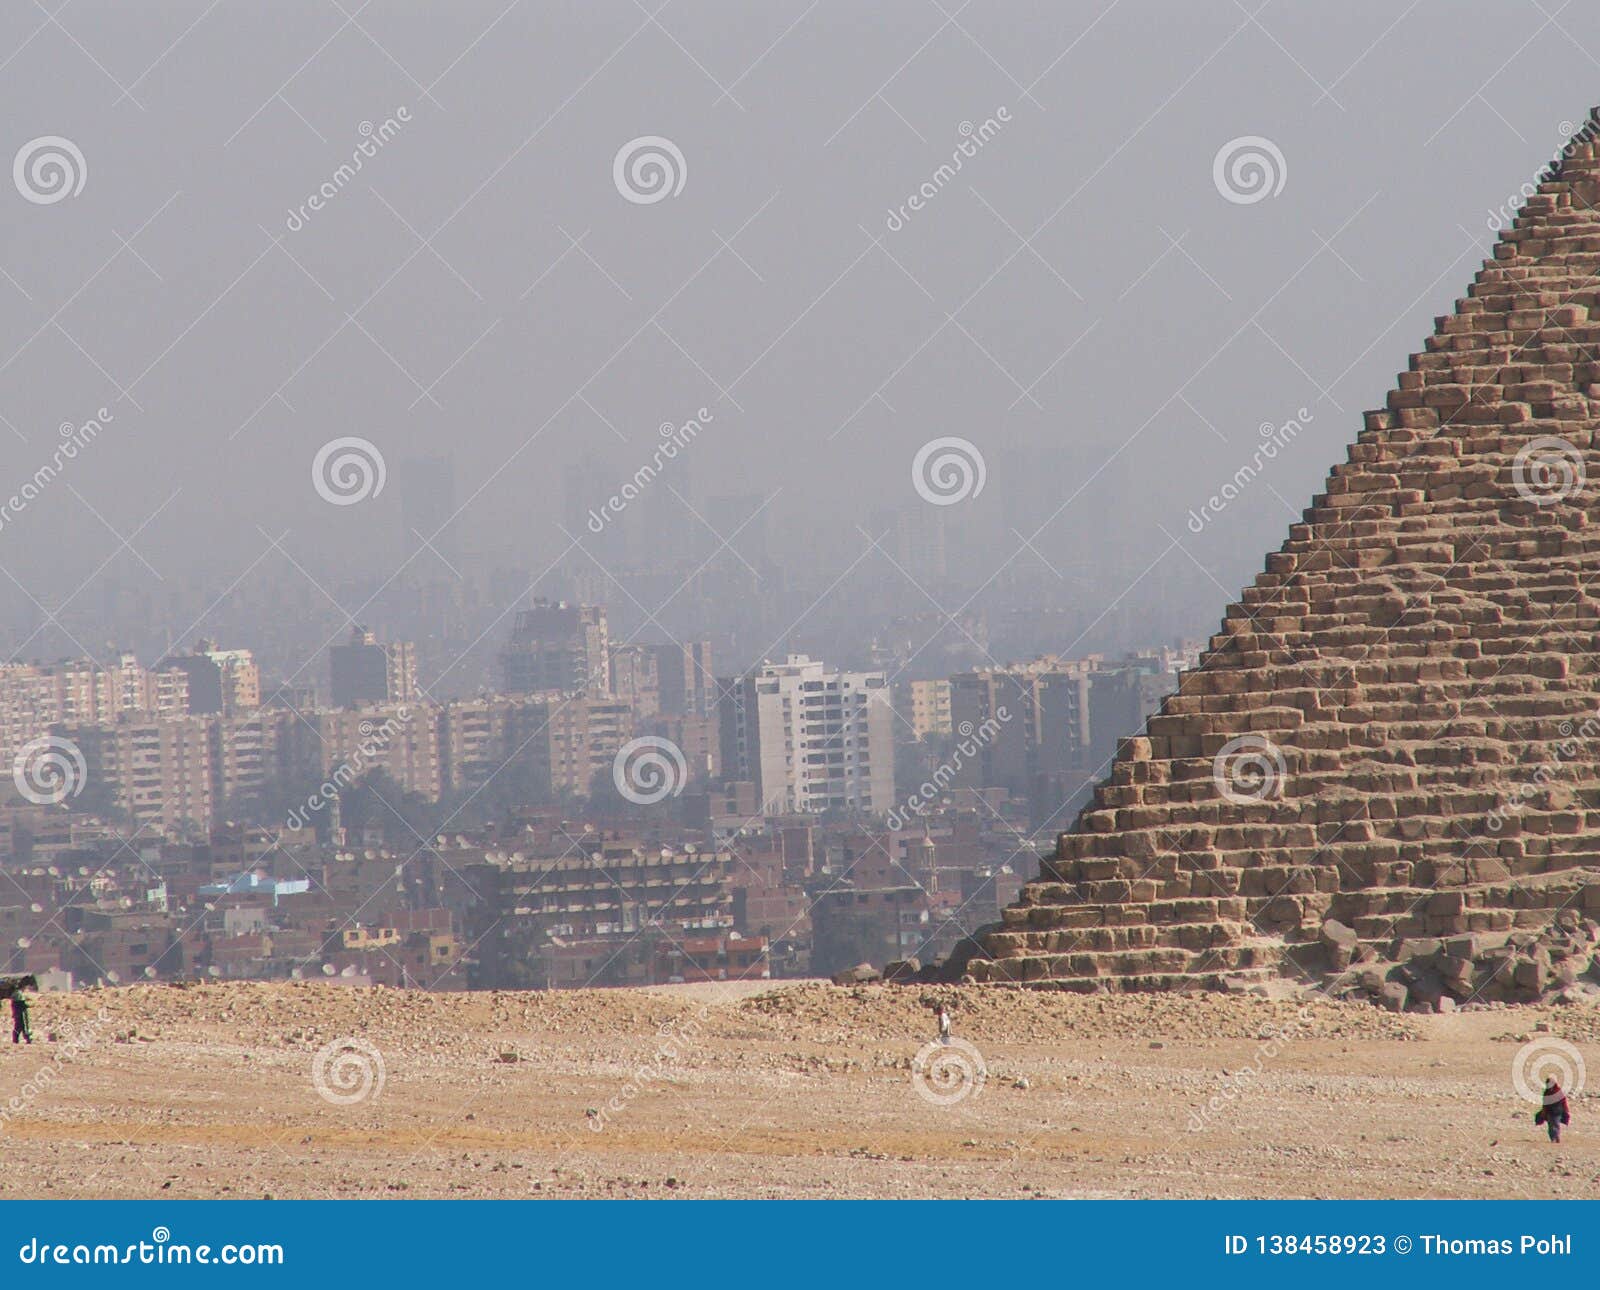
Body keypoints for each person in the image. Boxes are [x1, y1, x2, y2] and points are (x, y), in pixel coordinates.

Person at [1535, 1077, 1570, 1143]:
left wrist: (1566, 1110)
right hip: (1550, 1111)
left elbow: (1563, 1101)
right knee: (1551, 1125)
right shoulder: (1547, 1092)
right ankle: (1554, 1138)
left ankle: (1555, 1137)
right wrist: (1544, 1111)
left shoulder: (1558, 1091)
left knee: (1555, 1124)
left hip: (1557, 1111)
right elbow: (1545, 1103)